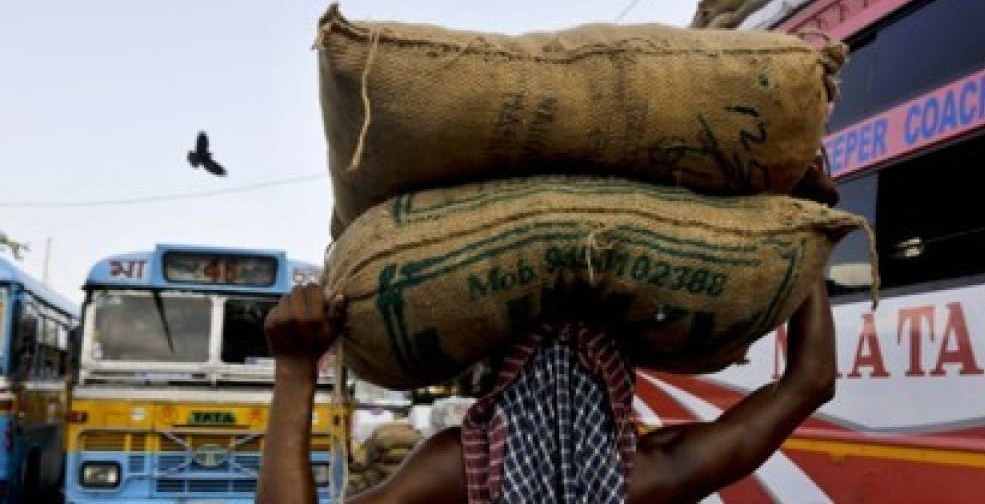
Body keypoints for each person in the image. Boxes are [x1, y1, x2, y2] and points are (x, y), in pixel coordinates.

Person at [258, 169, 839, 504]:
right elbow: (809, 384)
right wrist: (810, 228)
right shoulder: (658, 472)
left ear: (495, 368)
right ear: (621, 371)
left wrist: (294, 369)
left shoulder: (459, 471)